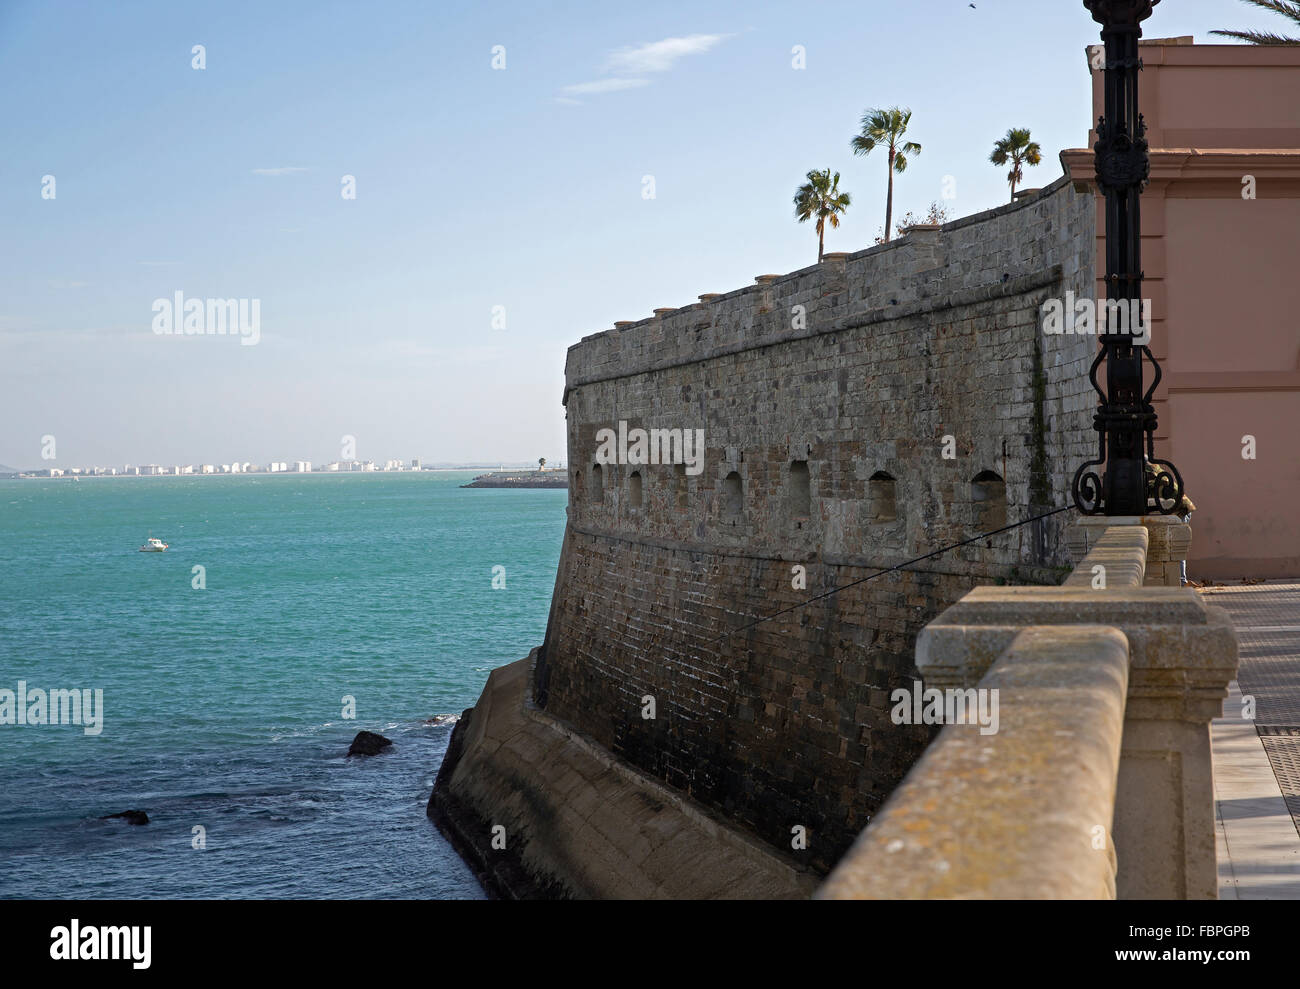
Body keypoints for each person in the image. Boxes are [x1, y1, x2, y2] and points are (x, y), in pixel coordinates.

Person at [1146, 461, 1196, 585]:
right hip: (1182, 510)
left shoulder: (1158, 481)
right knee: (1176, 547)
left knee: (1177, 546)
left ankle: (1181, 581)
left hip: (1181, 511)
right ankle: (1181, 580)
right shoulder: (1158, 475)